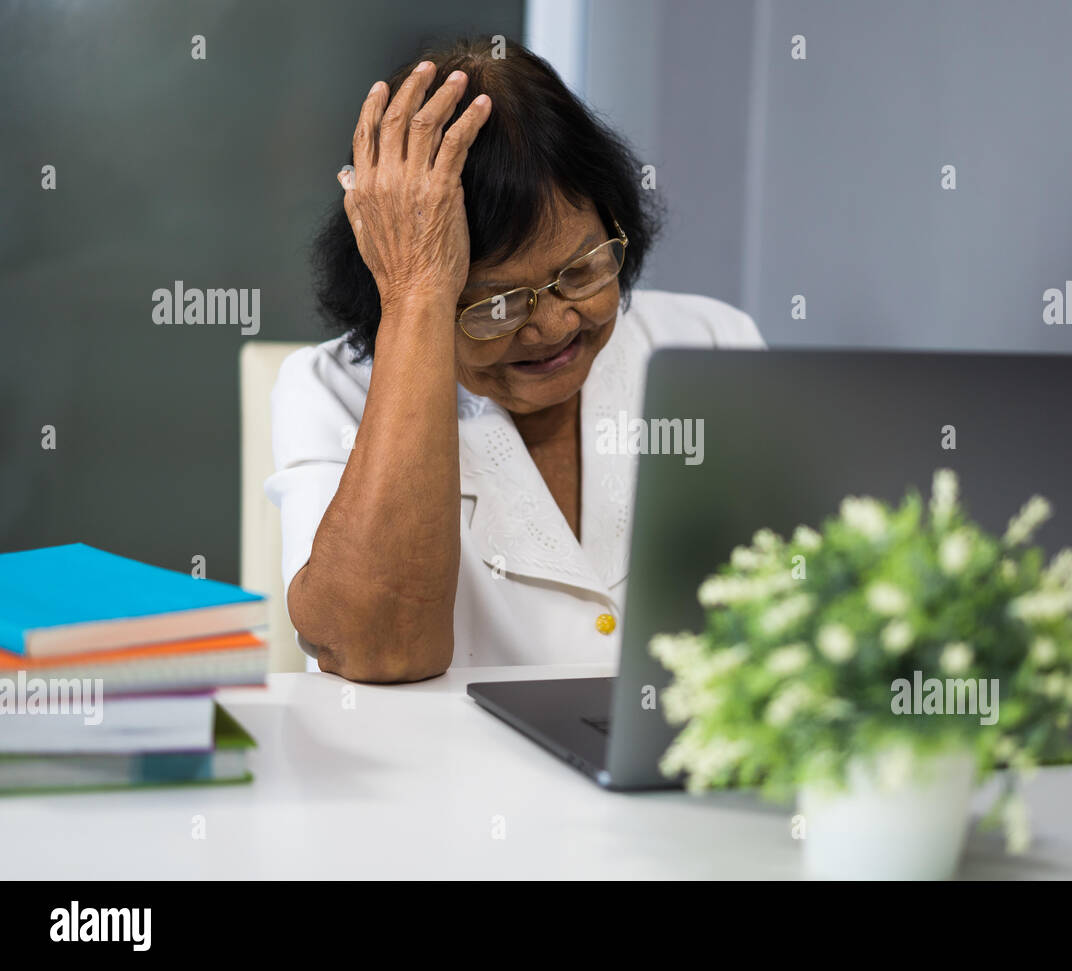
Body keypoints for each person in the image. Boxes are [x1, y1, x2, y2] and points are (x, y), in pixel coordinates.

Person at [266, 37, 763, 683]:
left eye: (582, 270)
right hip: (445, 781)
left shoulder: (710, 340)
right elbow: (377, 651)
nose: (555, 325)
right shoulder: (327, 392)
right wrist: (417, 293)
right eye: (496, 305)